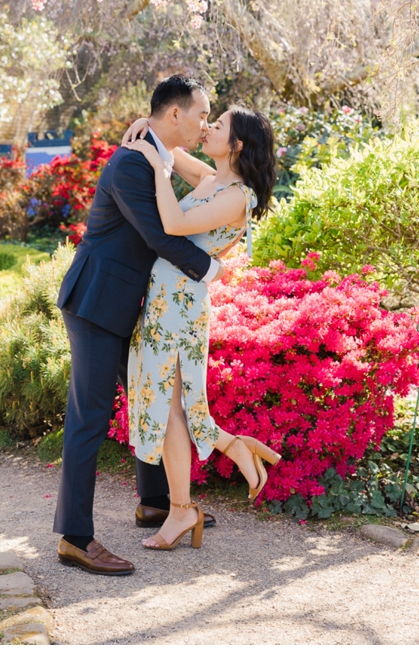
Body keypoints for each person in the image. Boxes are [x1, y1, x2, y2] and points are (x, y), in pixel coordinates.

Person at [52, 74, 223, 576]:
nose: (204, 123)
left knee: (154, 395)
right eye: (200, 114)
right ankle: (75, 538)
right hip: (96, 304)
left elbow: (201, 184)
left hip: (126, 305)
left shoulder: (154, 155)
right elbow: (159, 234)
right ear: (175, 114)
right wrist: (213, 269)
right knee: (89, 418)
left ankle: (155, 502)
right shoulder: (131, 162)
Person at [121, 105, 282, 552]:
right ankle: (205, 481)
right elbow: (167, 147)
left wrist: (156, 166)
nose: (207, 128)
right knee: (173, 405)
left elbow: (173, 224)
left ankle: (181, 509)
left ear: (238, 145)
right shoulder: (212, 179)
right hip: (163, 301)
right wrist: (144, 126)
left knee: (174, 406)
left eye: (219, 125)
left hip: (180, 305)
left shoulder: (238, 196)